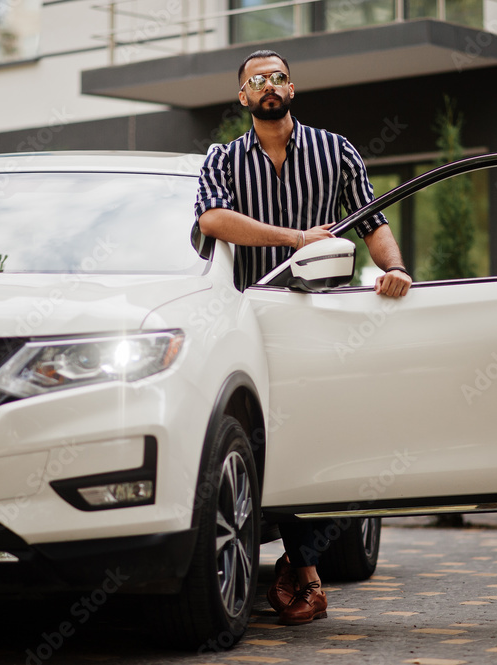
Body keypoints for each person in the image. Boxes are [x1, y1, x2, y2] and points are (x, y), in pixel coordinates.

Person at [194, 49, 412, 625]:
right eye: (257, 80)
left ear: (292, 87)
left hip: (323, 323)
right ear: (243, 96)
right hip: (253, 323)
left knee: (327, 438)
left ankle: (302, 565)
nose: (269, 85)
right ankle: (303, 570)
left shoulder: (336, 151)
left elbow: (372, 221)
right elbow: (212, 220)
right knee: (272, 442)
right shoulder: (222, 160)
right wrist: (296, 238)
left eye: (278, 77)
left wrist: (395, 268)